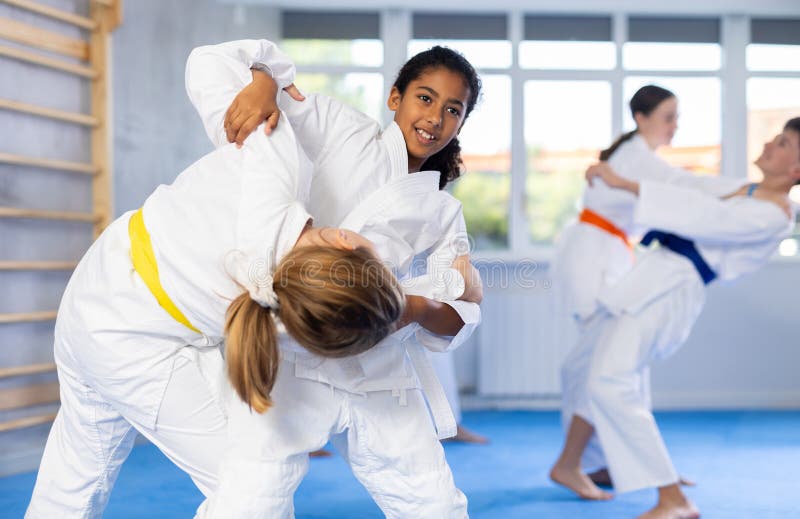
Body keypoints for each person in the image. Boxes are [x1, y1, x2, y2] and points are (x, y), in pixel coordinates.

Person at [25, 111, 405, 518]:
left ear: (344, 240)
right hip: (125, 334)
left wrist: (262, 75)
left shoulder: (277, 177)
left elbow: (262, 121)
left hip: (101, 278)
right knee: (252, 487)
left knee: (75, 477)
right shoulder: (282, 305)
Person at [185, 40, 484, 517]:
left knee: (435, 505)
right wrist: (265, 80)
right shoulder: (336, 126)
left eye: (453, 109)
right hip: (289, 348)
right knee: (251, 504)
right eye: (424, 98)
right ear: (395, 98)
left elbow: (464, 308)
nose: (435, 118)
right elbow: (210, 62)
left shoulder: (443, 212)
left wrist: (412, 307)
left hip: (378, 364)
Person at [559, 118, 799, 519]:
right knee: (594, 371)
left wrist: (623, 183)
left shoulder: (774, 215)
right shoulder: (747, 189)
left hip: (671, 289)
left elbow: (700, 214)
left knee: (610, 380)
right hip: (651, 278)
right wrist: (622, 177)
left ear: (796, 171)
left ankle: (673, 498)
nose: (771, 144)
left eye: (784, 143)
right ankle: (575, 464)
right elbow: (688, 188)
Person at [550, 85, 746, 499]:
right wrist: (752, 190)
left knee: (610, 361)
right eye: (668, 116)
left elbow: (681, 187)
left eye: (677, 117)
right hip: (595, 259)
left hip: (608, 255)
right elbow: (686, 187)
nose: (675, 125)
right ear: (641, 117)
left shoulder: (638, 157)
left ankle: (615, 463)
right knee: (602, 362)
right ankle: (580, 464)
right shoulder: (637, 157)